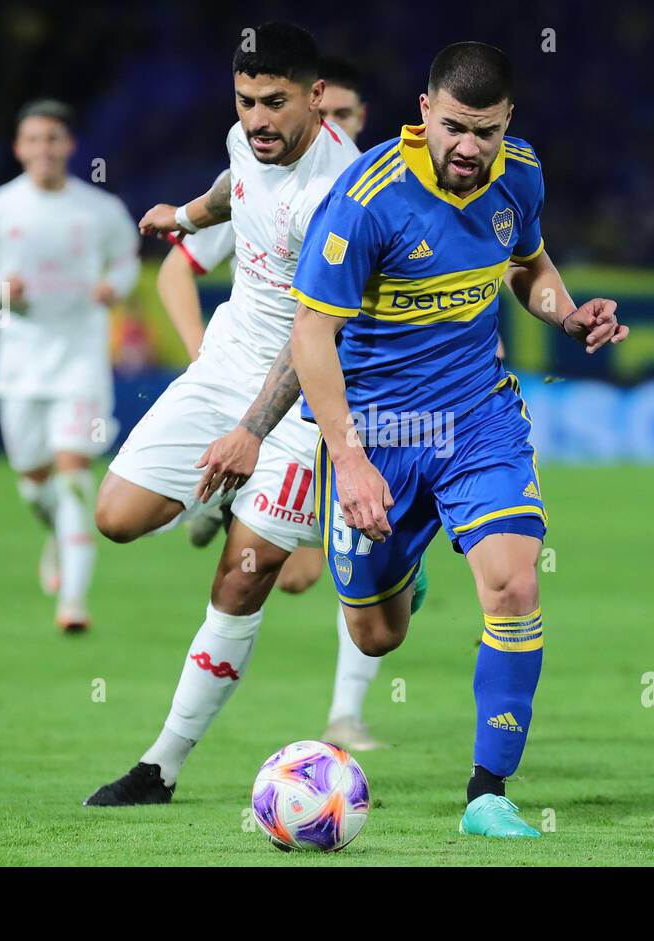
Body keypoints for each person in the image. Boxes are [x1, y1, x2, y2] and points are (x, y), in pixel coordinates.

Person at [274, 41, 627, 838]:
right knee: (376, 631)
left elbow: (528, 267)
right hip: (379, 435)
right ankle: (406, 572)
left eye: (488, 131)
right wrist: (354, 463)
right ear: (425, 112)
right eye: (457, 127)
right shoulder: (368, 202)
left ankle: (487, 791)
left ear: (509, 124)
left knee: (512, 584)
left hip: (476, 417)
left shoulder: (521, 175)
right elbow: (310, 338)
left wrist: (565, 315)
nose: (470, 147)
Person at [84, 23, 391, 807]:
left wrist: (250, 434)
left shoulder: (339, 196)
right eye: (246, 99)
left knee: (248, 576)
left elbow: (311, 335)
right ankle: (225, 501)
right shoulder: (246, 139)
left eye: (275, 102)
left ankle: (161, 766)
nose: (257, 117)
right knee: (115, 516)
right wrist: (186, 217)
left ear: (317, 100)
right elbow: (233, 186)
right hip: (220, 367)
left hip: (296, 406)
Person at [151, 56, 390, 752]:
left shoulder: (371, 198)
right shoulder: (268, 183)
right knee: (304, 574)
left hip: (369, 409)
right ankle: (343, 715)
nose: (332, 130)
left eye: (346, 118)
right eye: (328, 115)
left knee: (359, 583)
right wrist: (205, 360)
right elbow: (179, 262)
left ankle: (346, 711)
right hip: (301, 409)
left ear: (358, 122)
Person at [0, 99, 141, 632]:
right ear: (19, 148)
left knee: (75, 477)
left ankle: (74, 603)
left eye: (53, 139)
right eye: (34, 140)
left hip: (80, 359)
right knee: (35, 482)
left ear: (69, 146)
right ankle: (56, 534)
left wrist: (114, 286)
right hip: (19, 363)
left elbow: (127, 257)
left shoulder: (99, 209)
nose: (44, 149)